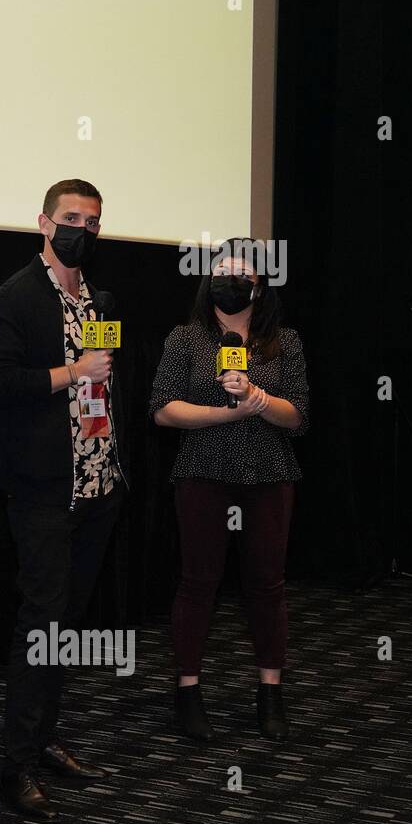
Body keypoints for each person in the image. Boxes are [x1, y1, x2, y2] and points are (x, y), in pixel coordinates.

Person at [0, 178, 126, 822]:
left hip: (98, 484)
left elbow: (111, 381)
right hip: (43, 489)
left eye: (91, 222)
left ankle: (43, 740)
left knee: (66, 626)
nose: (80, 230)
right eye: (70, 218)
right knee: (42, 624)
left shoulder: (102, 298)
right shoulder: (17, 297)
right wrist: (72, 373)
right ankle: (14, 768)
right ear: (42, 223)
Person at [148, 240, 309, 742]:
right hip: (202, 473)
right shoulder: (185, 339)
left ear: (259, 288)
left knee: (267, 586)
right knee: (199, 582)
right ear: (207, 283)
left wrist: (258, 399)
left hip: (269, 475)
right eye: (222, 274)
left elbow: (299, 418)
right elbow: (162, 408)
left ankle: (270, 692)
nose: (231, 283)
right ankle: (188, 691)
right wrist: (226, 413)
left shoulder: (285, 341)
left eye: (242, 276)